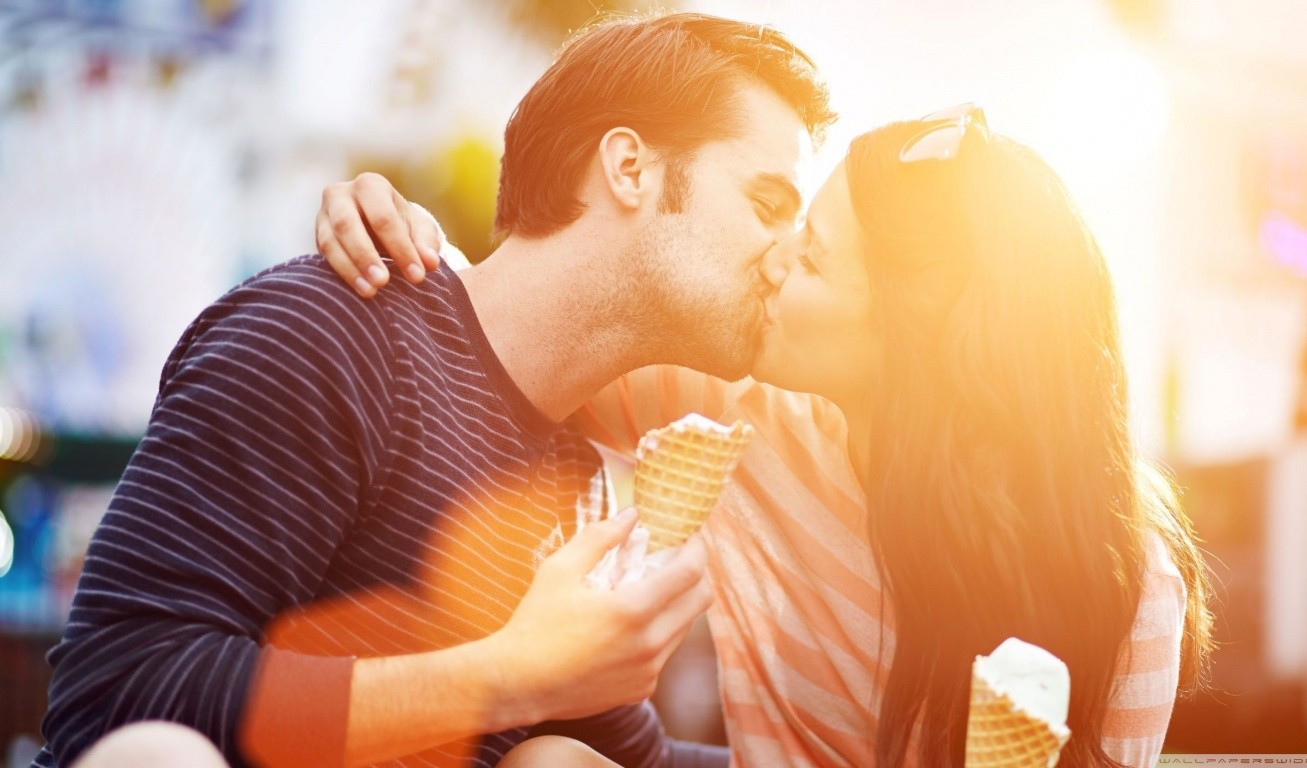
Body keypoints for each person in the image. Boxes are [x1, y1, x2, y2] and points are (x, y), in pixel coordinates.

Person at [34, 13, 835, 768]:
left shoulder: (577, 485)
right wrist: (504, 677)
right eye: (767, 205)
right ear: (629, 168)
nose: (784, 258)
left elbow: (645, 759)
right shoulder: (337, 330)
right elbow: (120, 694)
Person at [316, 105, 1215, 768]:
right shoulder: (728, 409)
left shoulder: (1123, 583)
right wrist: (401, 235)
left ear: (914, 341)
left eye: (814, 255)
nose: (772, 259)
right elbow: (517, 334)